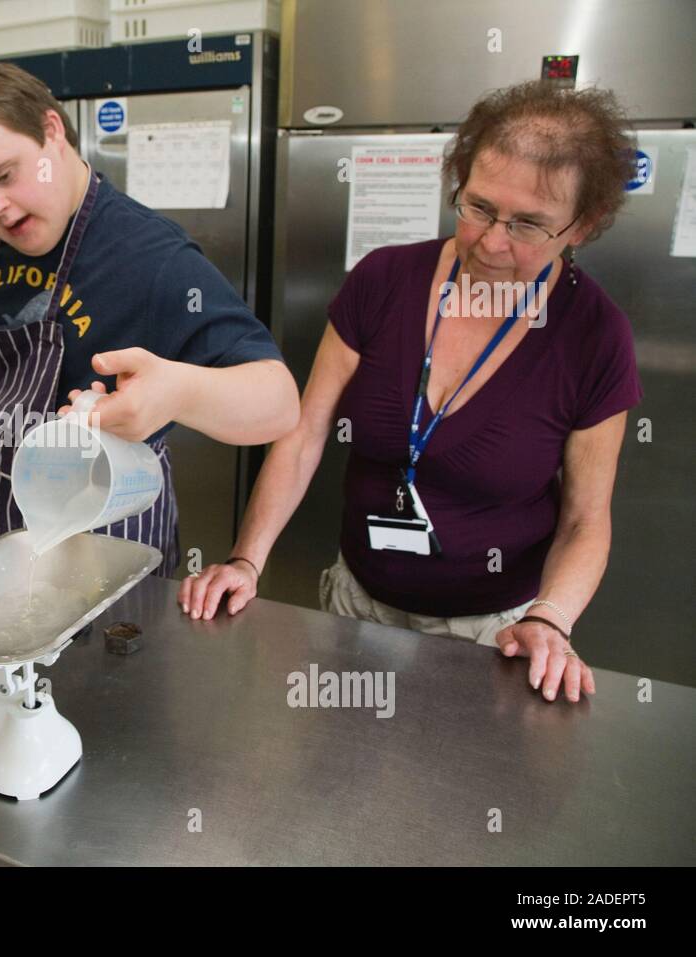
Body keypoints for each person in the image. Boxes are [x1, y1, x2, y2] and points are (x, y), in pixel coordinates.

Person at [181, 81, 642, 703]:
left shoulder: (594, 336)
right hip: (356, 603)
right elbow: (304, 430)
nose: (491, 241)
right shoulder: (385, 279)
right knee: (342, 776)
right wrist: (246, 558)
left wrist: (549, 619)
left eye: (529, 224)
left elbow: (587, 519)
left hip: (496, 634)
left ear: (581, 226)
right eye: (477, 207)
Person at [0, 62, 299, 575]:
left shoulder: (153, 258)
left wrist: (178, 390)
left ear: (51, 130)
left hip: (103, 550)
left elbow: (279, 402)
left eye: (5, 175)